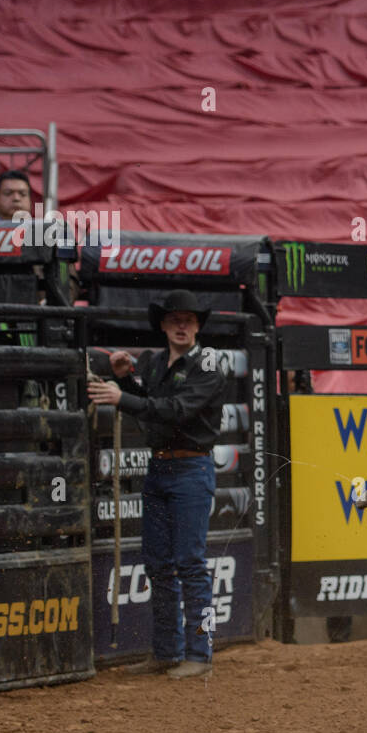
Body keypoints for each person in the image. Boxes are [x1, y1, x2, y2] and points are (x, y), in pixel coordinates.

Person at [89, 290, 227, 679]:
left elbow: (176, 410)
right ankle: (169, 652)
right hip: (163, 469)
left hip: (190, 470)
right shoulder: (152, 363)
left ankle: (199, 654)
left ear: (197, 325)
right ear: (164, 326)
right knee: (158, 564)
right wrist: (125, 383)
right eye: (174, 319)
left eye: (188, 319)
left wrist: (121, 397)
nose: (182, 325)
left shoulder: (209, 362)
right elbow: (151, 407)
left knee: (188, 563)